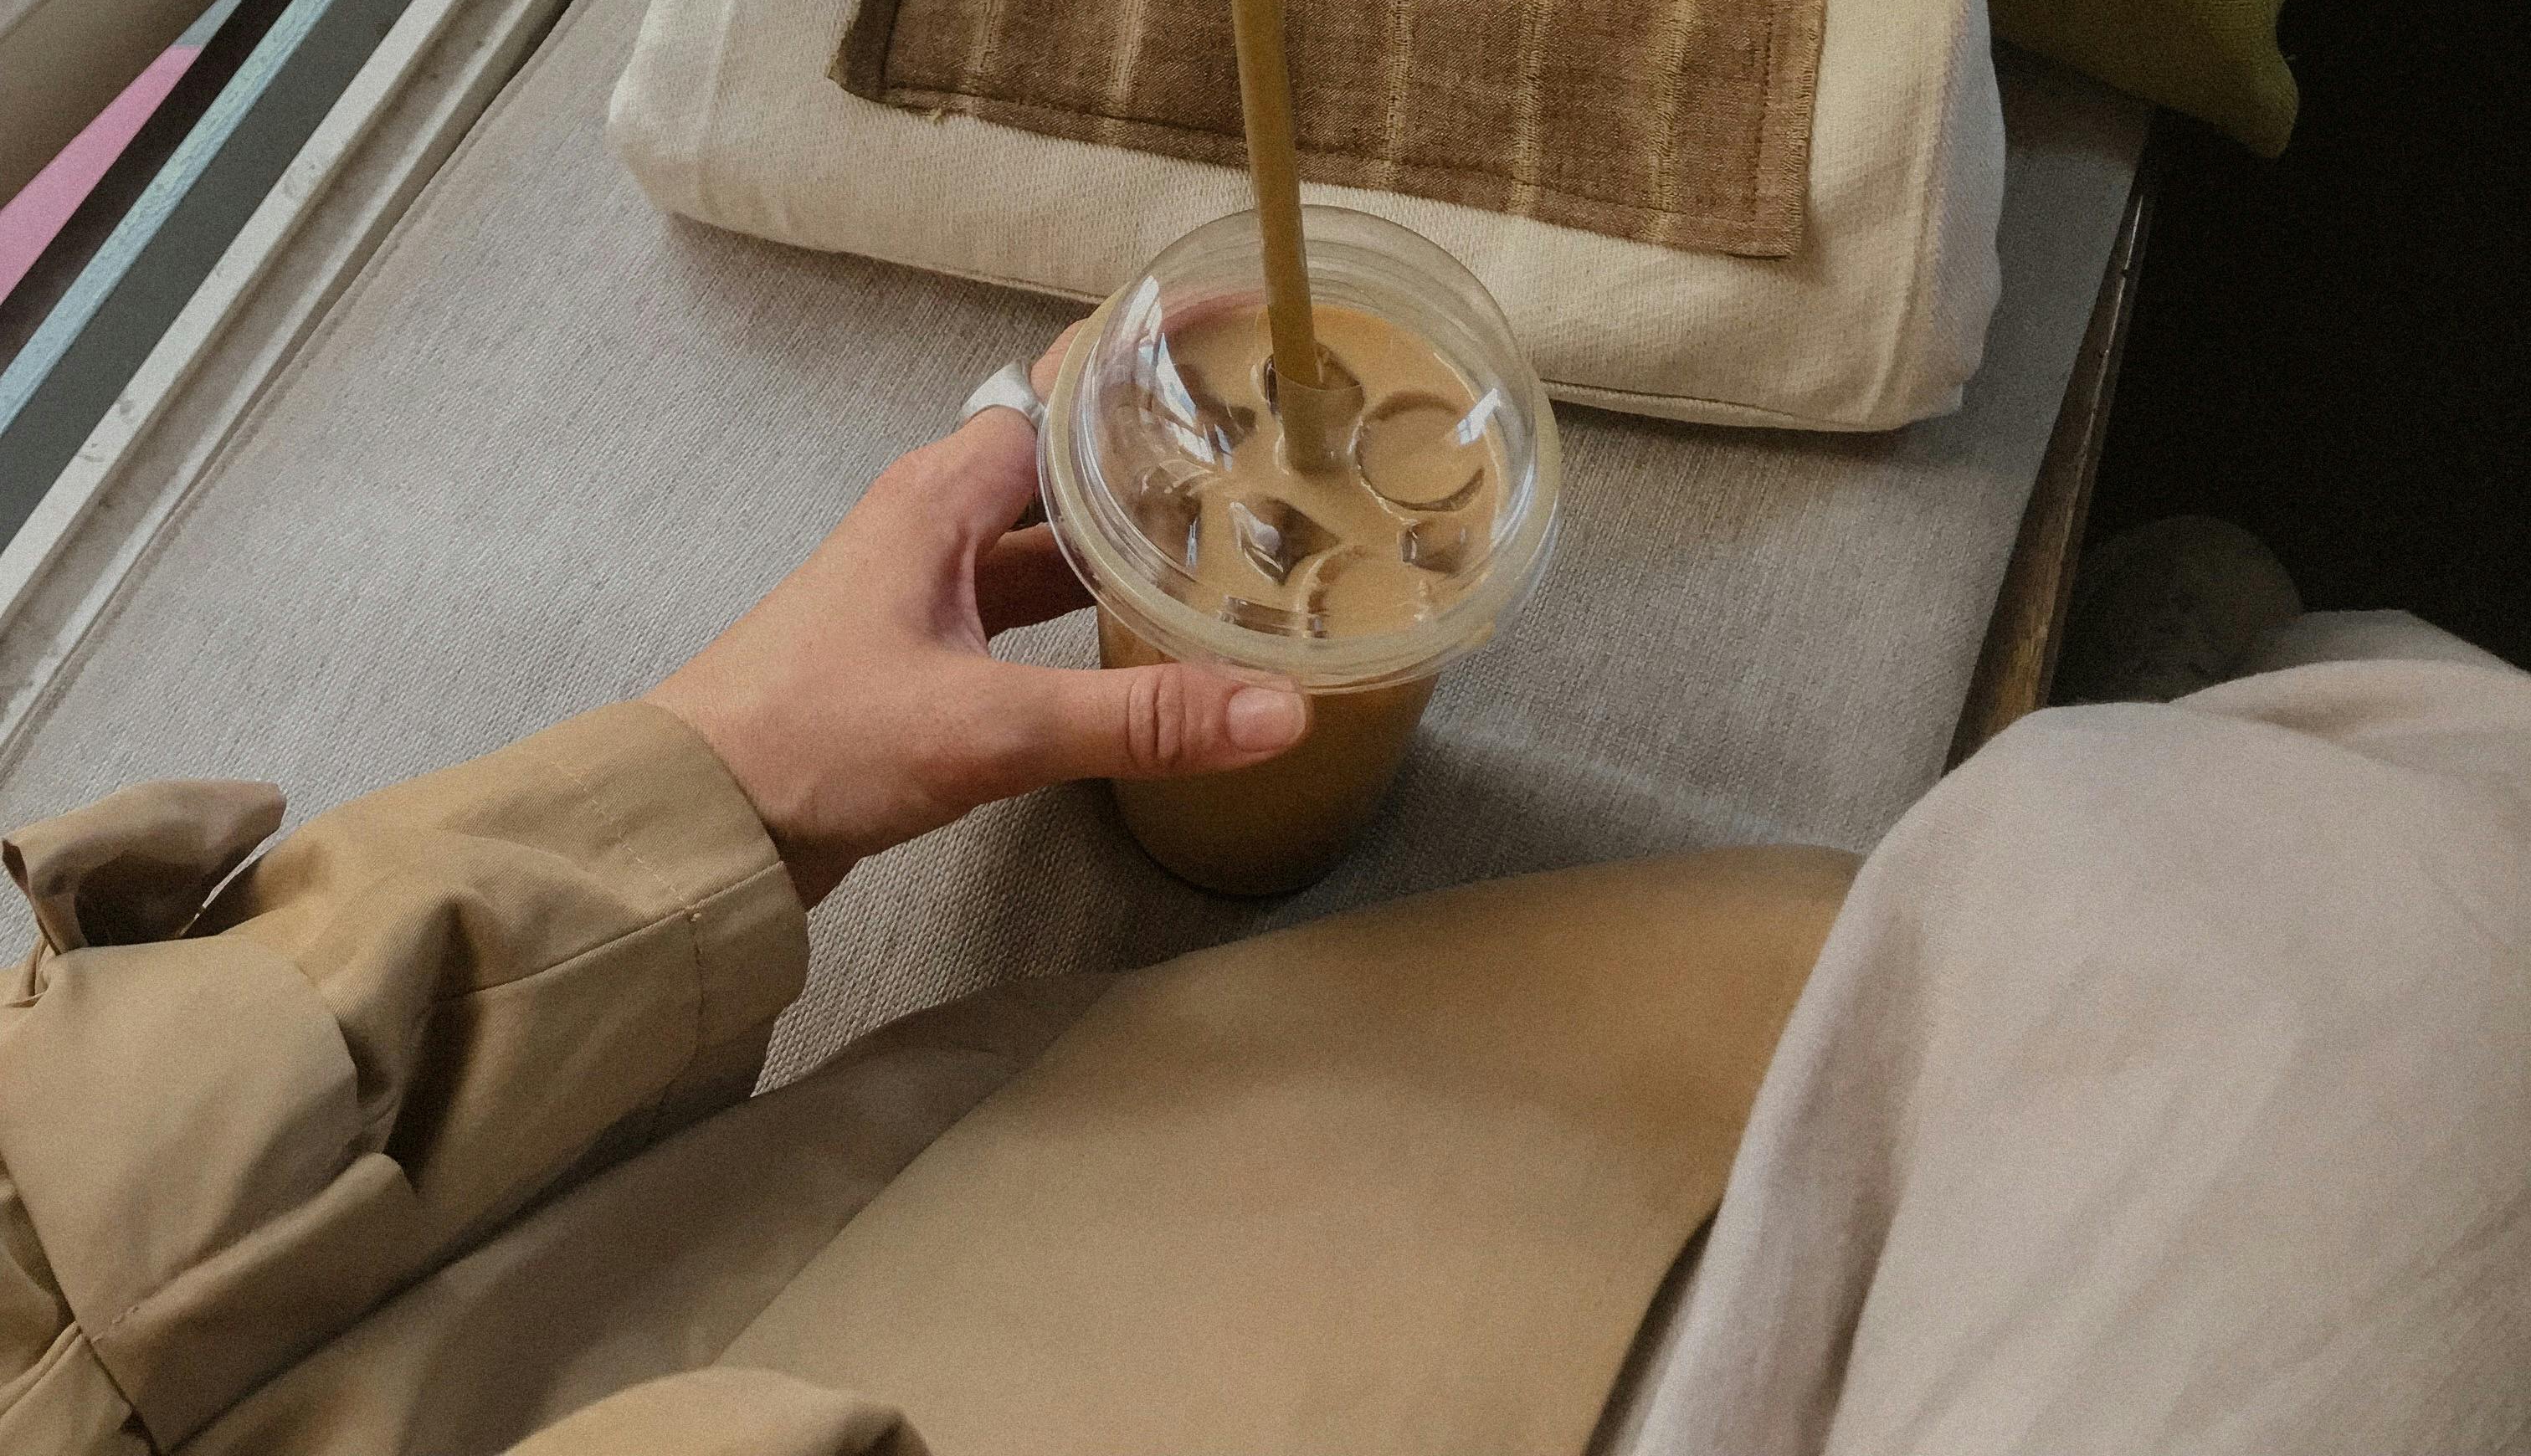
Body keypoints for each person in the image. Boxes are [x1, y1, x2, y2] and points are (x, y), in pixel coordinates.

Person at [4, 346, 2527, 1456]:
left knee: (2326, 900)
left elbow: (54, 1272)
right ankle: (2185, 714)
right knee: (2395, 919)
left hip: (1171, 1279)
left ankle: (2160, 731)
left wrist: (711, 792)